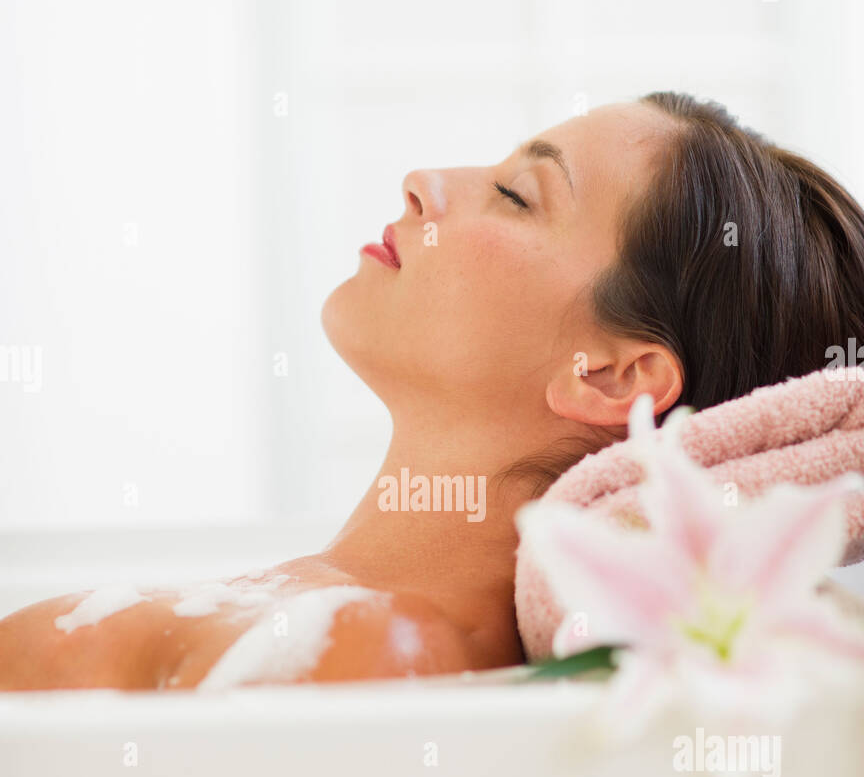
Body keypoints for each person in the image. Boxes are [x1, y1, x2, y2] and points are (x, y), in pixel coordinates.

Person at [3, 93, 864, 690]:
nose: (424, 181)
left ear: (612, 374)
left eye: (515, 195)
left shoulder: (370, 653)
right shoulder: (320, 618)